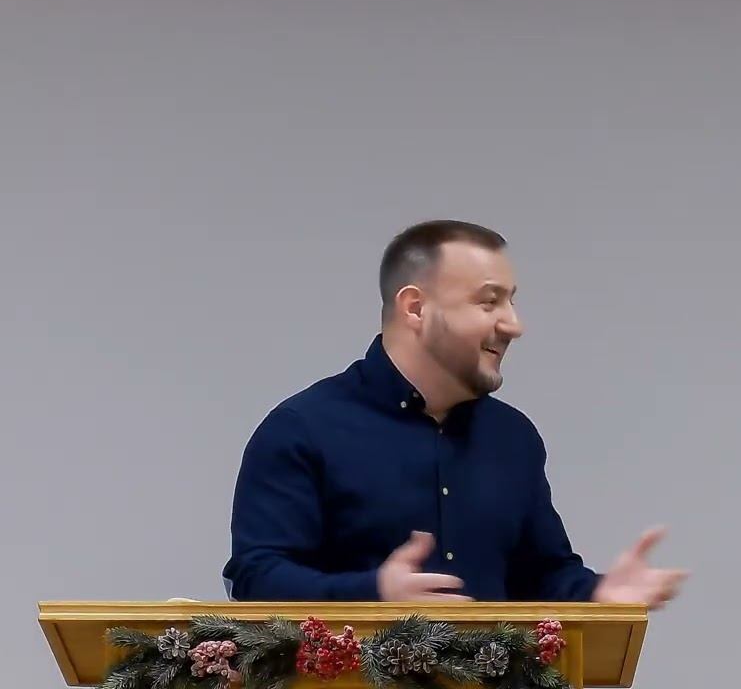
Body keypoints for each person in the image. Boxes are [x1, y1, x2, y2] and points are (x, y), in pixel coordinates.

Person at [221, 220, 688, 605]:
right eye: (489, 301)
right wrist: (372, 594)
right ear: (416, 308)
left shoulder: (513, 438)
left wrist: (599, 594)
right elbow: (256, 577)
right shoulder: (303, 430)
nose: (514, 325)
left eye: (512, 301)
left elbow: (542, 576)